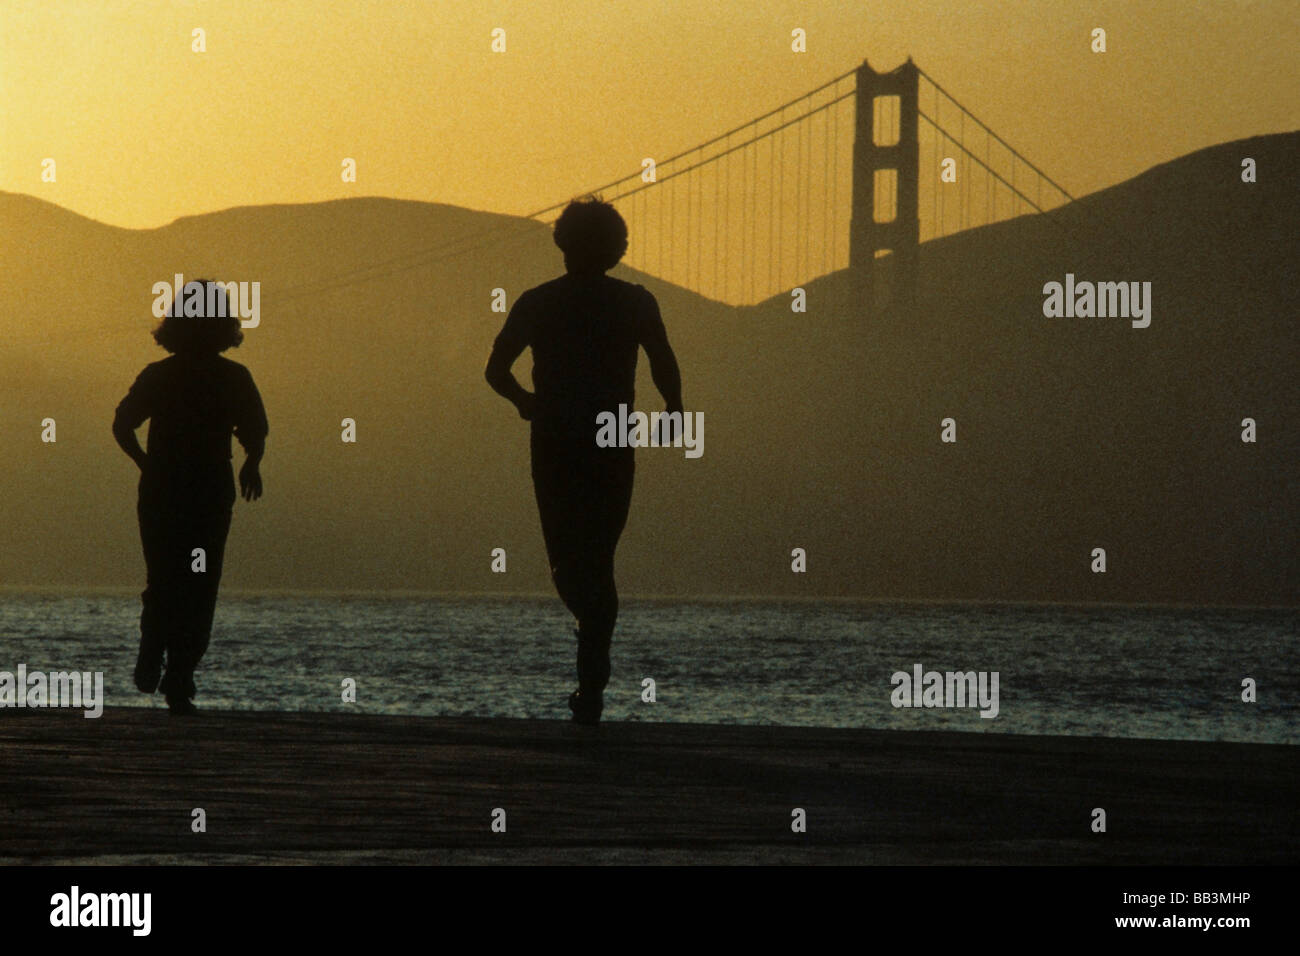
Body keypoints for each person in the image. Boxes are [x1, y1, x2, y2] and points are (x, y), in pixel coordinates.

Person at [485, 197, 683, 725]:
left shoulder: (537, 302)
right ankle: (593, 669)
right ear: (617, 248)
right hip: (612, 440)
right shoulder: (637, 302)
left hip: (556, 439)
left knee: (570, 562)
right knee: (597, 558)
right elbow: (662, 360)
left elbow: (495, 370)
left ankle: (591, 679)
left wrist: (525, 401)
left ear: (563, 244)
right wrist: (675, 410)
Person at [112, 279, 268, 715]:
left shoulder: (159, 376)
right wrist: (251, 463)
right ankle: (178, 678)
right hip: (208, 494)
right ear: (224, 324)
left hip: (162, 492)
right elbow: (255, 429)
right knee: (200, 584)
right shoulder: (233, 378)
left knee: (163, 578)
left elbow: (122, 425)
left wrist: (146, 464)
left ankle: (153, 649)